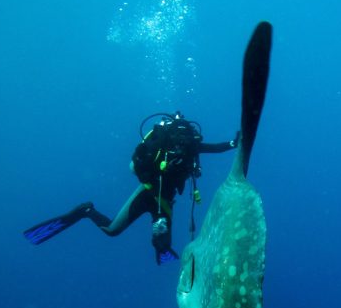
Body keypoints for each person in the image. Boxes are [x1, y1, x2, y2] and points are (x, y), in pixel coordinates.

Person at [23, 112, 237, 264]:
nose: (180, 145)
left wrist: (234, 144)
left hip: (165, 201)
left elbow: (215, 148)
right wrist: (154, 174)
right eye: (177, 140)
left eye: (185, 140)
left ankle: (158, 241)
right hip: (146, 191)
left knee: (163, 244)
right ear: (171, 136)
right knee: (112, 230)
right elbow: (138, 161)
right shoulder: (159, 145)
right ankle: (86, 211)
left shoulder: (192, 146)